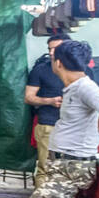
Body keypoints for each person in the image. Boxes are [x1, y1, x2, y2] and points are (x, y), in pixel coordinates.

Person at [11, 40, 99, 198]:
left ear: (58, 63)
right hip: (61, 164)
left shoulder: (86, 88)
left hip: (74, 165)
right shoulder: (74, 87)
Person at [26, 33, 67, 185]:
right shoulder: (41, 70)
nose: (51, 52)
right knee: (45, 167)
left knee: (68, 170)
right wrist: (49, 101)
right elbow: (28, 97)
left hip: (72, 127)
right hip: (48, 125)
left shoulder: (82, 71)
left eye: (55, 48)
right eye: (49, 48)